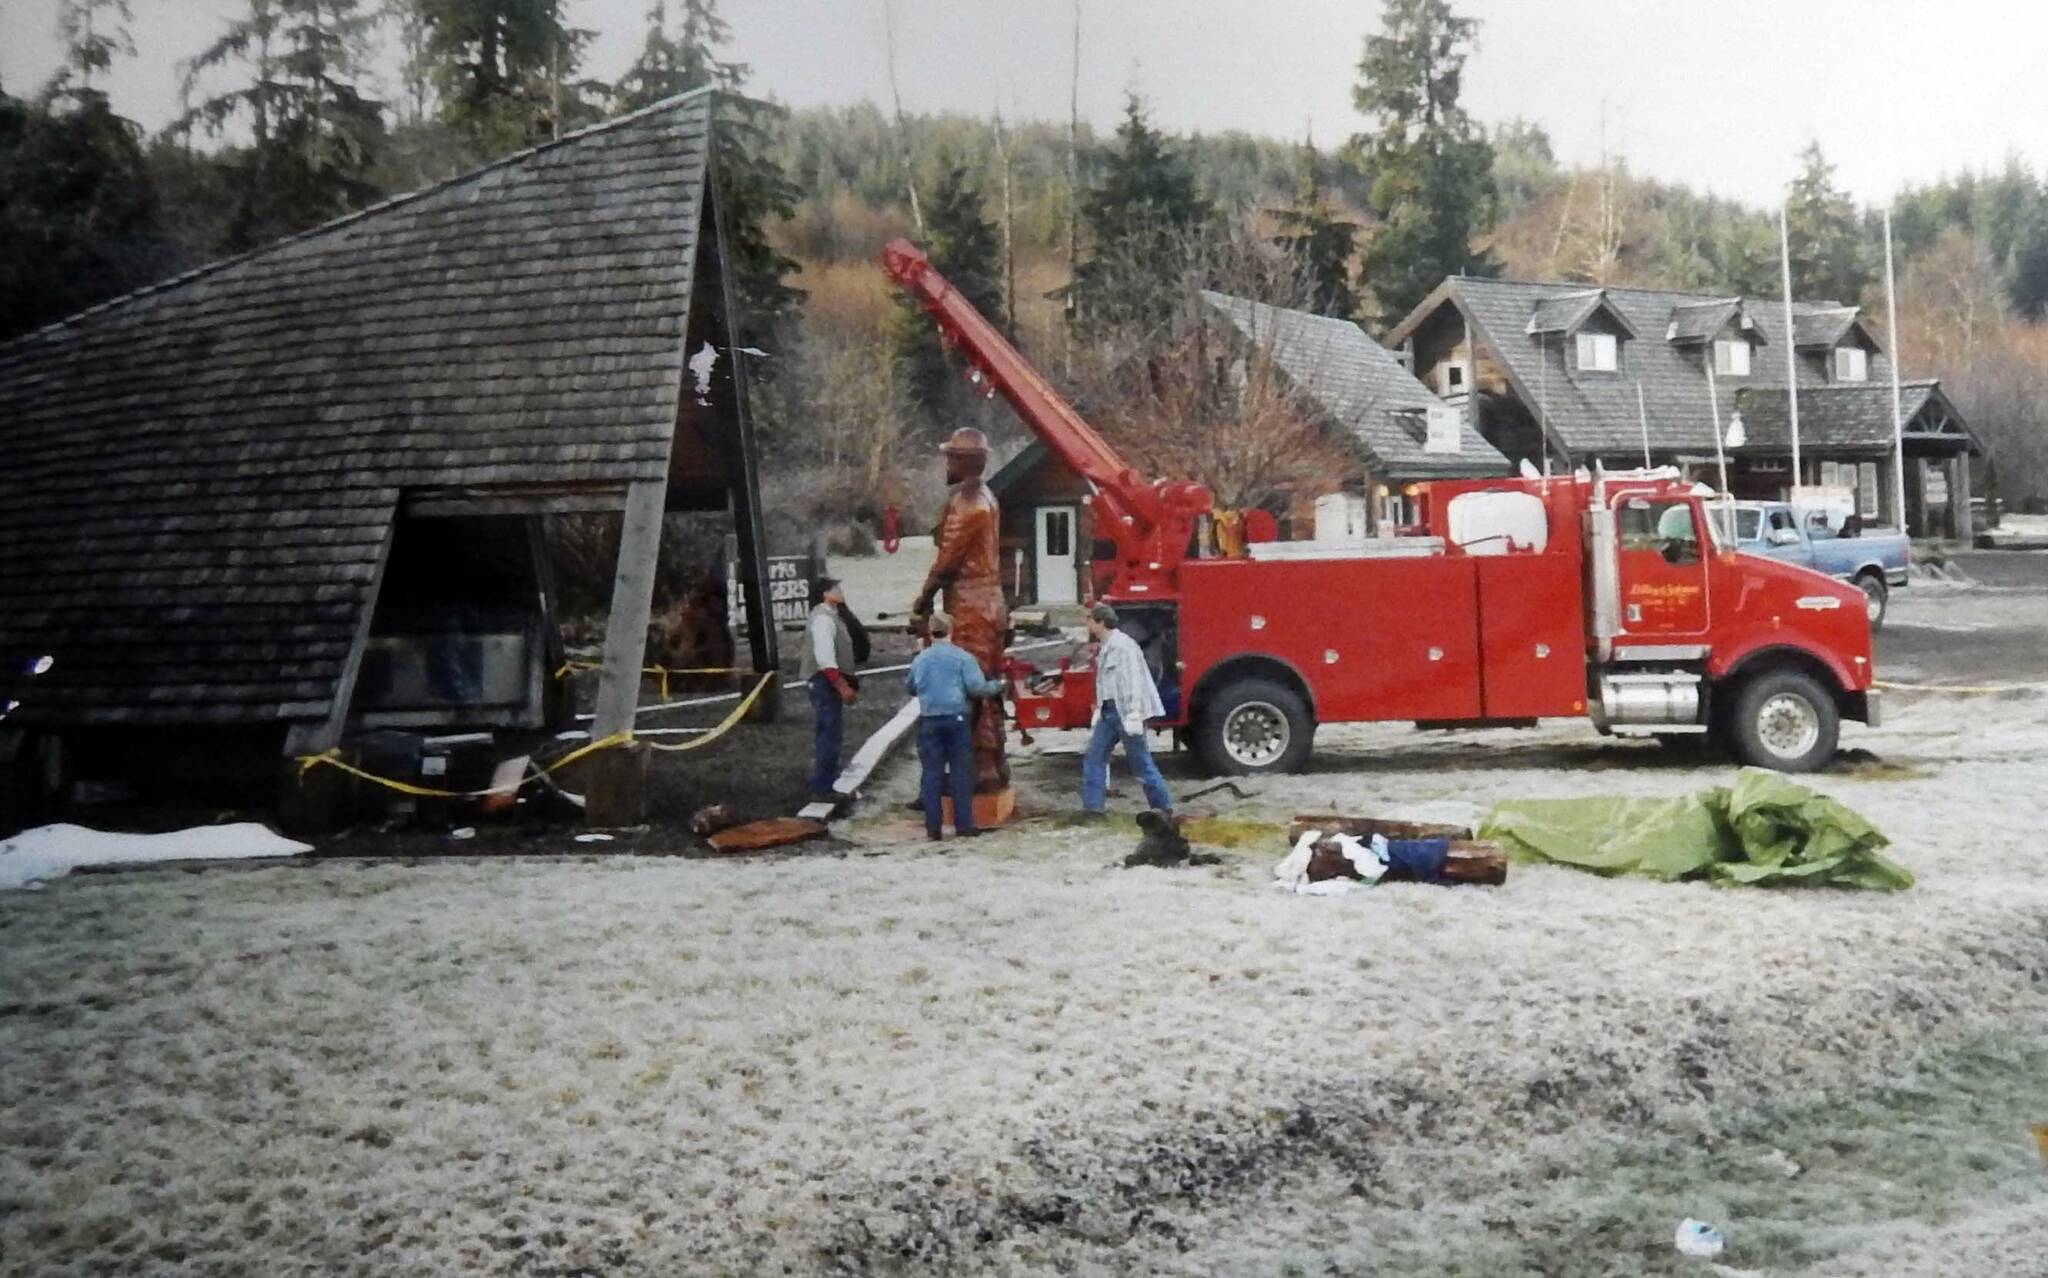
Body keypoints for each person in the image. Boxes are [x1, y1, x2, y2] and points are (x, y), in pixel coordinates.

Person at [911, 427, 1010, 793]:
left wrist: (922, 600)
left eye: (950, 457)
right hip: (986, 601)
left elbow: (947, 559)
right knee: (984, 682)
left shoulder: (970, 505)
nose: (945, 463)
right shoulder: (983, 497)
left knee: (971, 686)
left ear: (964, 461)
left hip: (972, 603)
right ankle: (993, 764)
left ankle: (981, 769)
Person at [904, 611, 1005, 840]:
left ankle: (933, 827)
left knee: (932, 773)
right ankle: (964, 825)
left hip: (930, 720)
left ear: (931, 632)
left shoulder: (921, 659)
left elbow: (910, 687)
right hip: (957, 719)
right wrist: (998, 686)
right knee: (961, 772)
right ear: (952, 631)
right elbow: (977, 688)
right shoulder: (962, 658)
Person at [1081, 602, 1173, 816]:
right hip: (1110, 711)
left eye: (1090, 620)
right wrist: (1101, 708)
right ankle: (1092, 808)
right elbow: (1106, 682)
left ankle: (1162, 806)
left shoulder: (1124, 646)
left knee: (1141, 762)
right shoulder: (1107, 646)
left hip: (1125, 712)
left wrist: (1133, 713)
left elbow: (1132, 680)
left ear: (1100, 622)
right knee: (1094, 757)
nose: (1087, 624)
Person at [800, 576, 858, 800]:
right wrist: (842, 686)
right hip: (825, 682)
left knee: (829, 732)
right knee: (829, 733)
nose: (840, 590)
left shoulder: (831, 616)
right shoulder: (823, 619)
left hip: (826, 681)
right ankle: (823, 786)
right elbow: (825, 658)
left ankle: (824, 781)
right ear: (825, 594)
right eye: (835, 588)